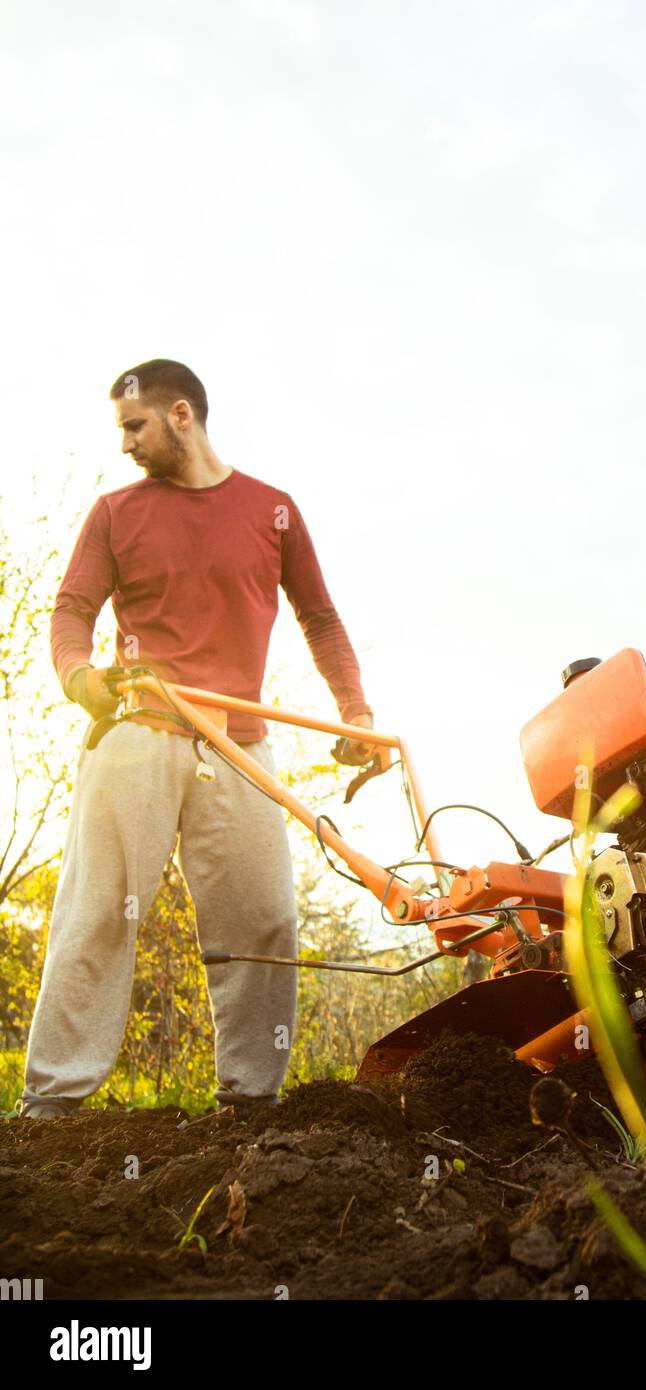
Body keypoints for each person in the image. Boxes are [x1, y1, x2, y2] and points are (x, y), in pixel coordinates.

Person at [17, 358, 375, 1119]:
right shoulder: (117, 513)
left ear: (182, 416)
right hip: (139, 731)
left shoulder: (272, 510)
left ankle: (251, 1103)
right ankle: (52, 1104)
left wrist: (356, 713)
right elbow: (71, 610)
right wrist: (80, 678)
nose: (125, 443)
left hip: (237, 740)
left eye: (133, 425)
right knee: (99, 910)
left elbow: (320, 617)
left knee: (264, 918)